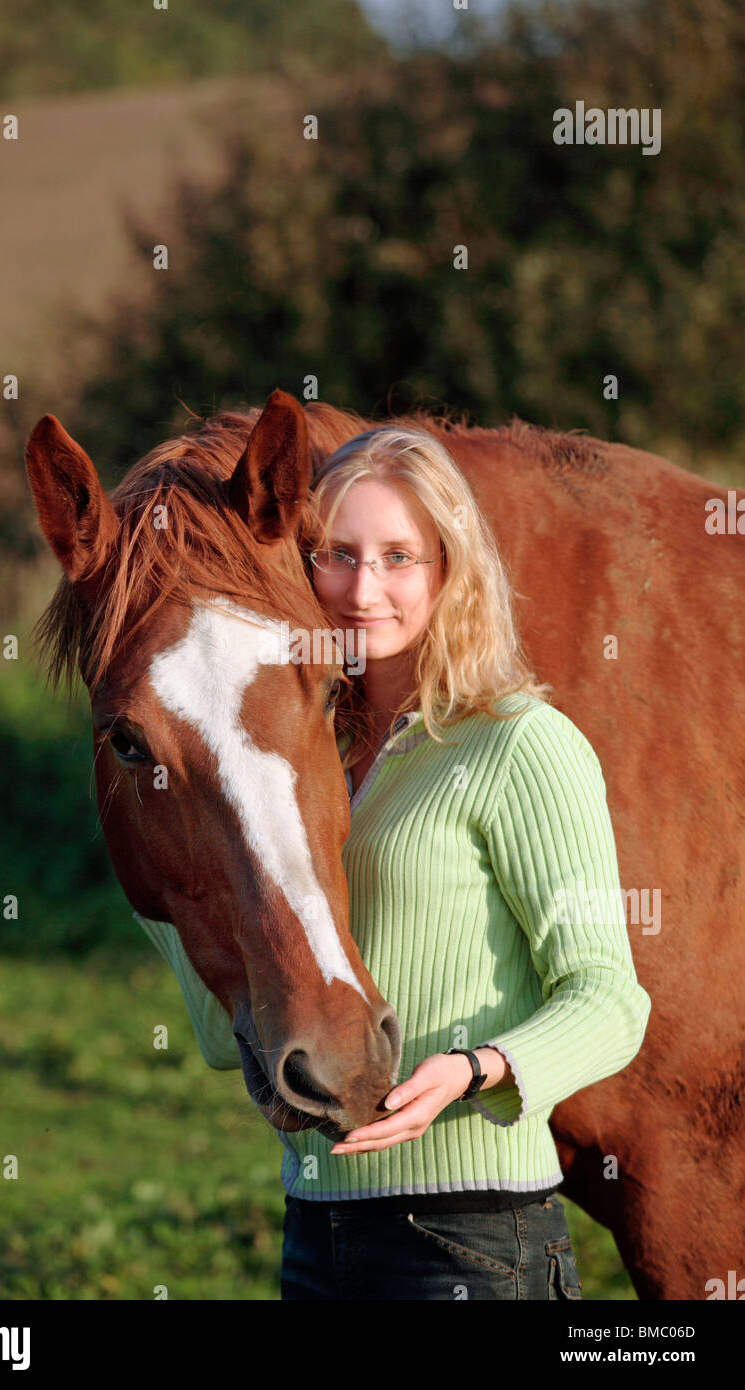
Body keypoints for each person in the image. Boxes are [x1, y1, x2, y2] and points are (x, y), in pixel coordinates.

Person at [137, 424, 652, 1301]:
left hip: (473, 1236)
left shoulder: (521, 745)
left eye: (399, 556)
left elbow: (609, 1001)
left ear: (451, 568)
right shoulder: (298, 770)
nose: (362, 588)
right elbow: (234, 1041)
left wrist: (472, 1071)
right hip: (315, 1231)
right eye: (338, 553)